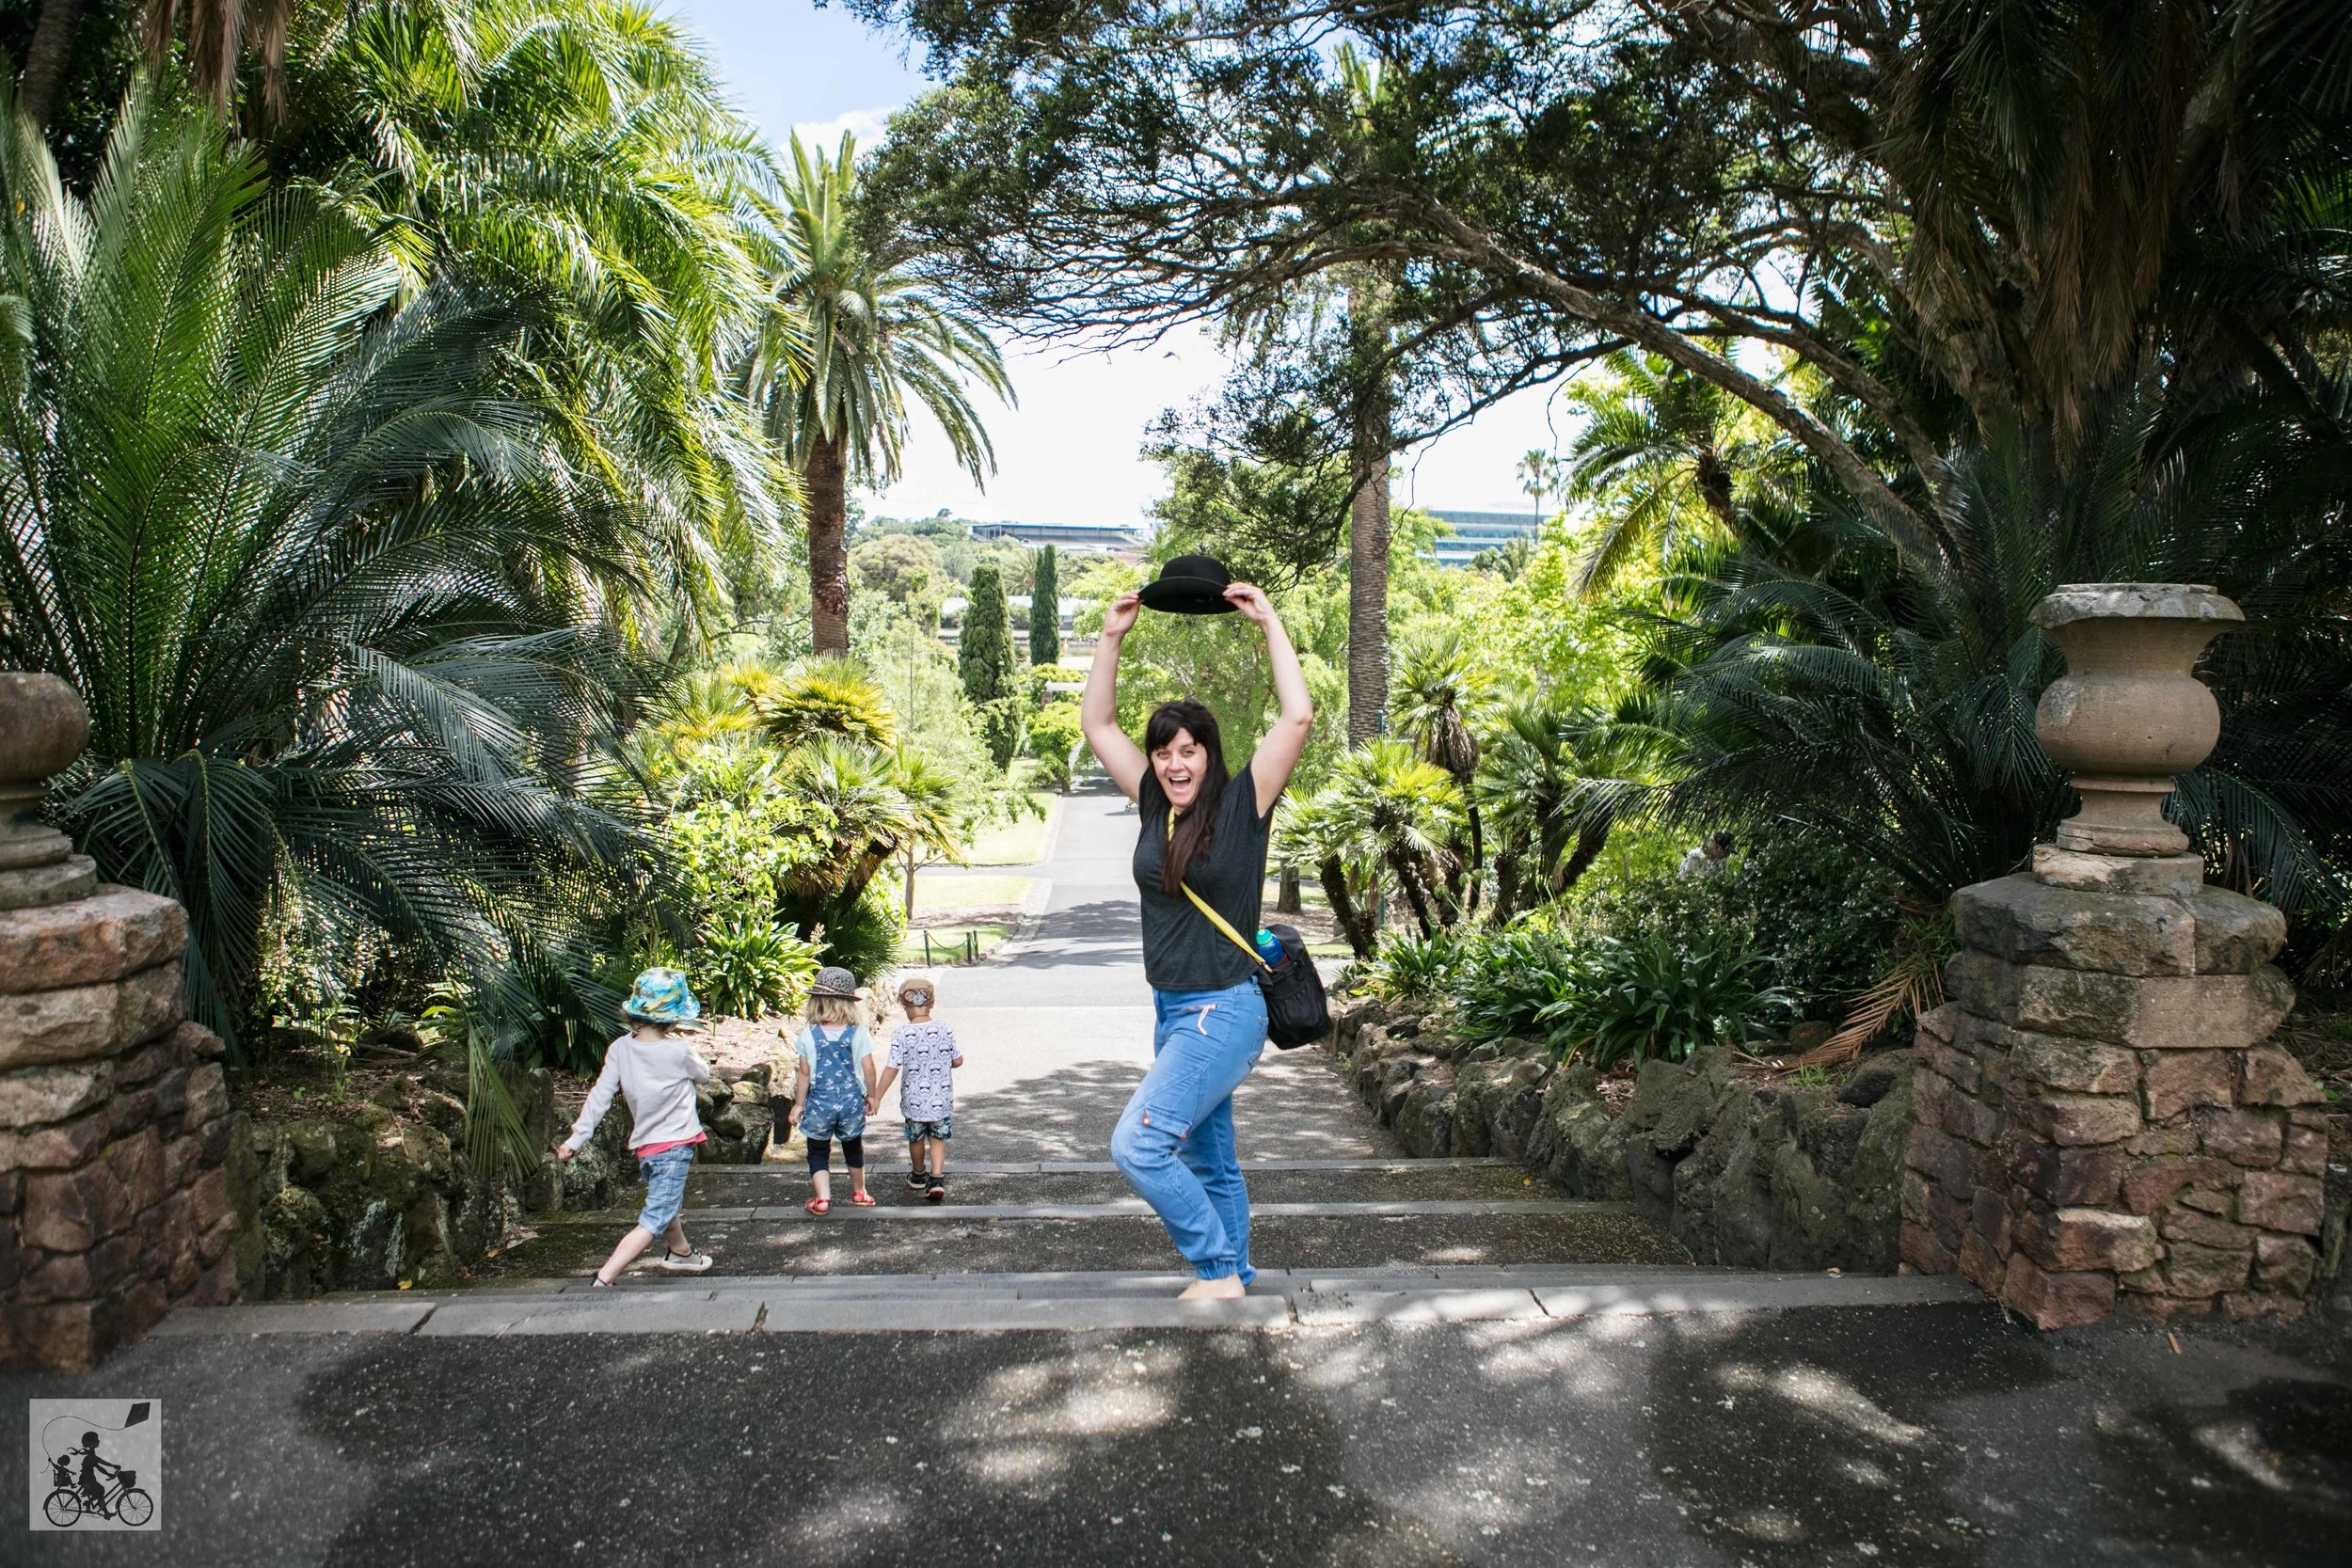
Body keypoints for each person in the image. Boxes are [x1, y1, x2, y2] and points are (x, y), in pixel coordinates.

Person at [1079, 577, 1312, 1300]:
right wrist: (1111, 637)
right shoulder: (1154, 803)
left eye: (1189, 750)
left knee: (1139, 1144)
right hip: (1173, 1010)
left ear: (1211, 753)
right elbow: (1098, 726)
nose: (1175, 763)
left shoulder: (1246, 802)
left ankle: (1216, 1268)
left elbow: (1298, 716)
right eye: (1164, 752)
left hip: (1222, 1009)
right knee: (1212, 1161)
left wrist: (1268, 619)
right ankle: (1237, 1272)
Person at [557, 967, 716, 1285]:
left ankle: (680, 1252)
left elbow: (600, 1096)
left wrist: (576, 1138)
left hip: (645, 1148)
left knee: (664, 1200)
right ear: (674, 1018)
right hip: (674, 1147)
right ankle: (606, 1276)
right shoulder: (678, 1050)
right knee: (655, 1216)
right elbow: (704, 1075)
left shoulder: (620, 1049)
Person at [786, 966, 880, 1215]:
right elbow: (868, 1067)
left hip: (819, 1102)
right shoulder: (858, 1032)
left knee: (817, 1150)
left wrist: (798, 1104)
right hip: (850, 1101)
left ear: (816, 1003)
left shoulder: (809, 1034)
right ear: (849, 1004)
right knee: (852, 1145)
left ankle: (823, 1199)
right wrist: (872, 1095)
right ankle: (859, 1191)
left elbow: (804, 1073)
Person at [869, 974, 961, 1202]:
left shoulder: (901, 1033)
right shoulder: (944, 1028)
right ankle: (937, 1177)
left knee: (916, 1138)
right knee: (938, 1138)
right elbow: (957, 1060)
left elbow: (892, 1067)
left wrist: (877, 1096)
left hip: (914, 1101)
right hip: (940, 1098)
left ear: (903, 1005)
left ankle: (919, 1174)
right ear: (933, 1003)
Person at [73, 1433, 120, 1509]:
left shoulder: (92, 1453)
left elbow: (100, 1461)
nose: (99, 1441)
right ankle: (105, 1512)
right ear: (91, 1442)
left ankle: (89, 1503)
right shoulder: (91, 1455)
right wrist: (108, 1473)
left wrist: (112, 1466)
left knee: (99, 1491)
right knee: (100, 1490)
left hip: (88, 1477)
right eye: (97, 1440)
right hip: (88, 1478)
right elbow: (99, 1466)